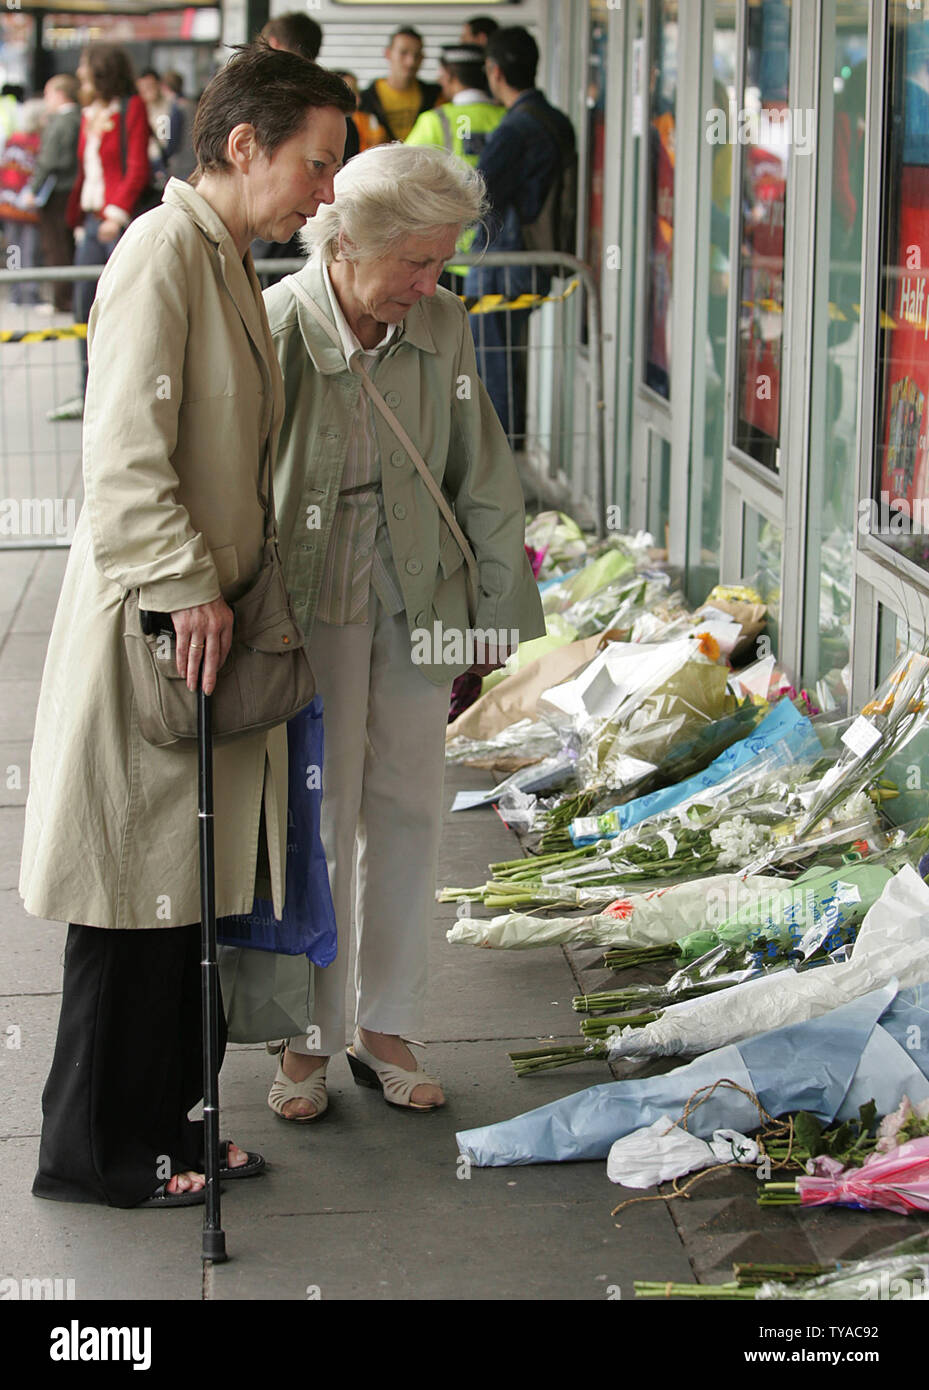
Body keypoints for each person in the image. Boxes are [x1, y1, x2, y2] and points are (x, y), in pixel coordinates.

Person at [20, 41, 354, 1209]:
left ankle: (169, 1126)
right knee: (131, 904)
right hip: (155, 633)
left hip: (194, 631)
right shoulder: (165, 252)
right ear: (243, 146)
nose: (325, 193)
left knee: (183, 901)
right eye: (314, 165)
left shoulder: (219, 257)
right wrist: (187, 583)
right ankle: (102, 1153)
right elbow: (122, 456)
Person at [261, 142, 545, 1120]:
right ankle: (306, 1030)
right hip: (307, 594)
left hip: (420, 593)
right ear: (343, 243)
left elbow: (481, 467)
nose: (429, 283)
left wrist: (499, 614)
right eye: (413, 262)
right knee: (320, 814)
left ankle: (385, 1023)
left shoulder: (444, 325)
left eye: (441, 262)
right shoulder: (275, 327)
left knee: (411, 806)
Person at [465, 26, 576, 443]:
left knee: (494, 373)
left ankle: (501, 471)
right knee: (511, 366)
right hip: (536, 257)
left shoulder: (516, 129)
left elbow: (477, 189)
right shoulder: (557, 121)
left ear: (494, 71)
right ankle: (511, 461)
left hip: (501, 263)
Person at [46, 45, 150, 422]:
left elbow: (137, 167)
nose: (79, 70)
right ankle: (87, 393)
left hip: (114, 223)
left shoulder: (131, 108)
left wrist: (114, 214)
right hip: (90, 221)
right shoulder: (90, 113)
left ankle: (126, 396)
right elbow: (86, 171)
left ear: (101, 70)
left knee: (126, 309)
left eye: (85, 65)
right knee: (82, 307)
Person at [406, 43, 504, 289]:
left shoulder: (435, 121)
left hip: (447, 254)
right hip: (501, 253)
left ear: (448, 75)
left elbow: (398, 174)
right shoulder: (507, 119)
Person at [19, 74, 81, 313]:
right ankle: (65, 298)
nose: (46, 99)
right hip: (71, 190)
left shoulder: (63, 121)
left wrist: (33, 189)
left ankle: (61, 299)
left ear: (60, 93)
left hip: (57, 192)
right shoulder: (78, 118)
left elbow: (50, 159)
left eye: (48, 93)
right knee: (65, 245)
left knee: (56, 246)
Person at [359, 27, 440, 144]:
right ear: (388, 54)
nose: (411, 61)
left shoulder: (436, 97)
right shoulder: (365, 101)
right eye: (403, 53)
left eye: (417, 55)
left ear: (423, 58)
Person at [0, 97, 43, 306]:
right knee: (28, 251)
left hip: (7, 203)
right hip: (27, 206)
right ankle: (29, 294)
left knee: (14, 251)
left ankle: (16, 294)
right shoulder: (36, 143)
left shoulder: (12, 140)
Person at [334, 70, 389, 152]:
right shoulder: (328, 126)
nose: (357, 98)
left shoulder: (368, 119)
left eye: (357, 91)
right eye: (349, 93)